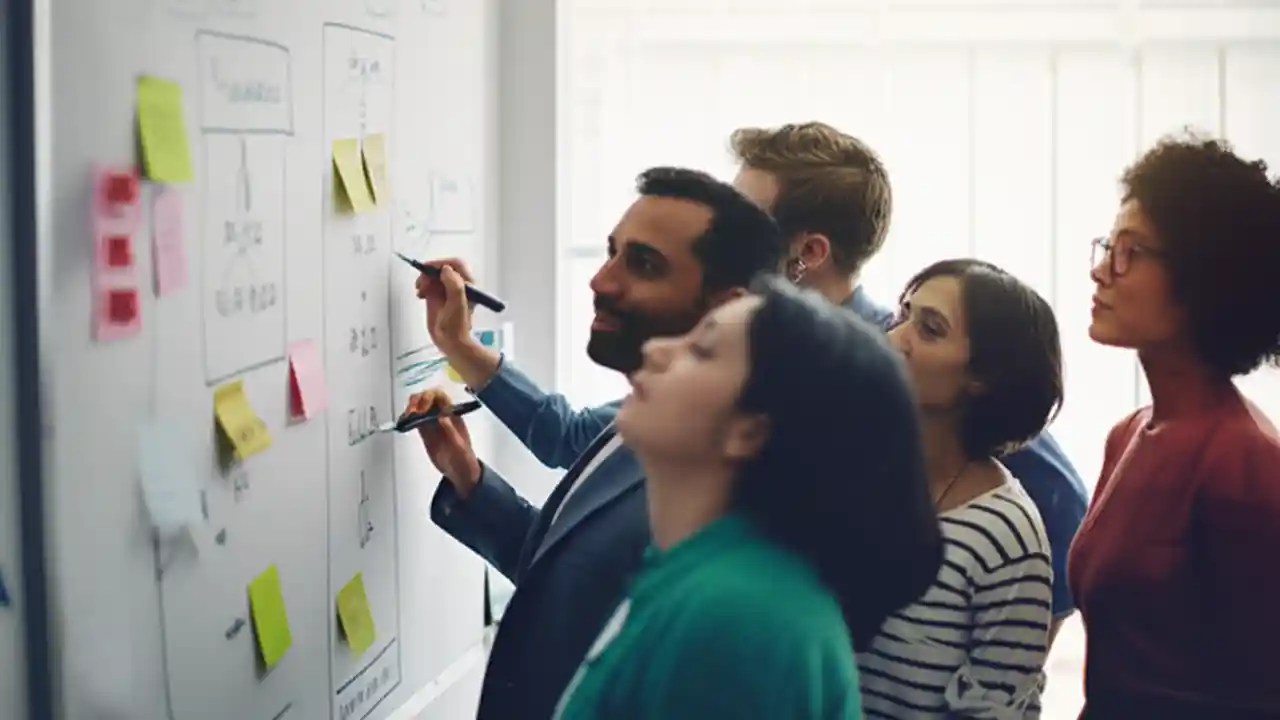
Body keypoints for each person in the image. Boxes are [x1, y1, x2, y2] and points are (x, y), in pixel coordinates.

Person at [439, 121, 1089, 642]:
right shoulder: (735, 333)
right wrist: (464, 352)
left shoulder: (884, 374)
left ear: (808, 254)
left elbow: (1055, 509)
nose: (716, 223)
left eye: (741, 210)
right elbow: (584, 444)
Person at [404, 166, 788, 720]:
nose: (601, 282)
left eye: (644, 265)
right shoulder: (653, 411)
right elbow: (574, 580)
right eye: (612, 253)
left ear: (725, 306)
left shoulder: (725, 486)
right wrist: (470, 476)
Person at [730, 123, 1086, 644]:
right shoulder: (751, 345)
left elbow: (1061, 502)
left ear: (810, 251)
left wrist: (1000, 654)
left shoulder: (895, 366)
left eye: (743, 221)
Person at [552, 277, 942, 720]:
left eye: (701, 350)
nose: (657, 350)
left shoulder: (742, 616)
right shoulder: (694, 571)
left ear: (750, 430)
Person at [1068, 134, 1280, 719]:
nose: (1100, 269)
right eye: (1109, 245)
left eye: (1129, 251)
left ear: (1203, 278)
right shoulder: (1129, 433)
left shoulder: (1246, 462)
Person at [859, 259, 1059, 719]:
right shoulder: (856, 474)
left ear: (983, 376)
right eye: (903, 315)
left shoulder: (1007, 536)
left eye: (929, 329)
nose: (894, 339)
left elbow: (989, 708)